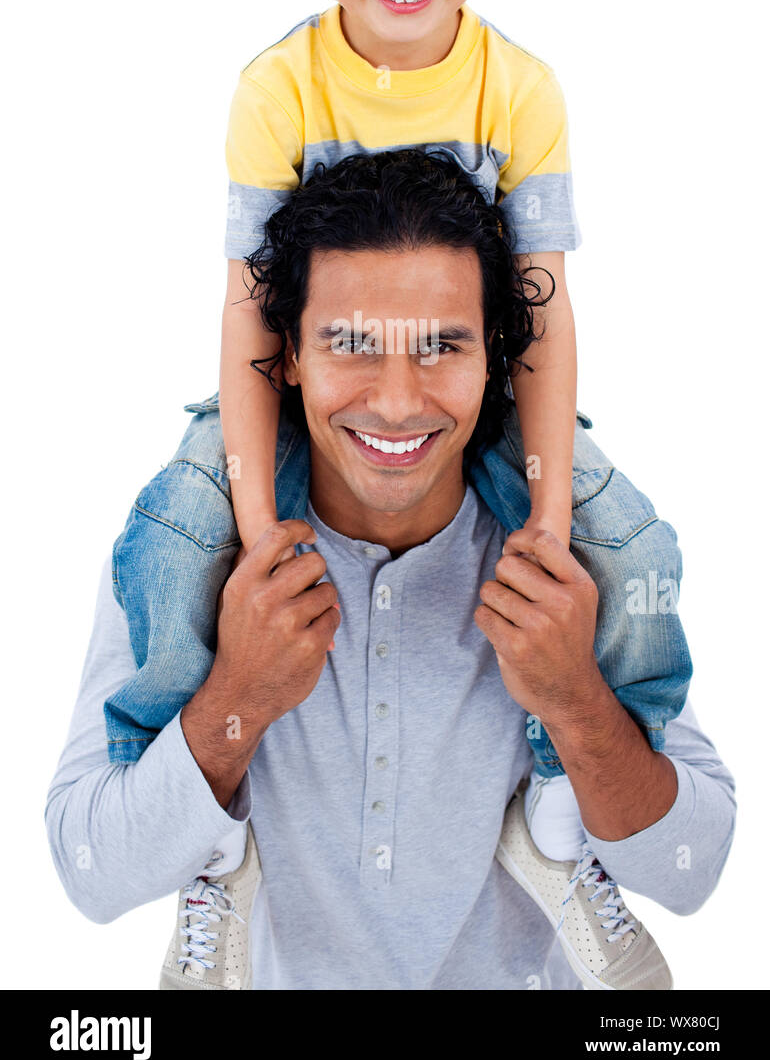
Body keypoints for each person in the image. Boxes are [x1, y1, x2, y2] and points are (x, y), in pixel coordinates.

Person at [46, 153, 734, 991]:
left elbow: (691, 871)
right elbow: (93, 873)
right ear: (289, 353)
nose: (400, 401)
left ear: (497, 360)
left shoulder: (566, 554)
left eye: (444, 345)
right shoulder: (194, 553)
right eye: (351, 343)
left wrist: (575, 702)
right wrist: (239, 697)